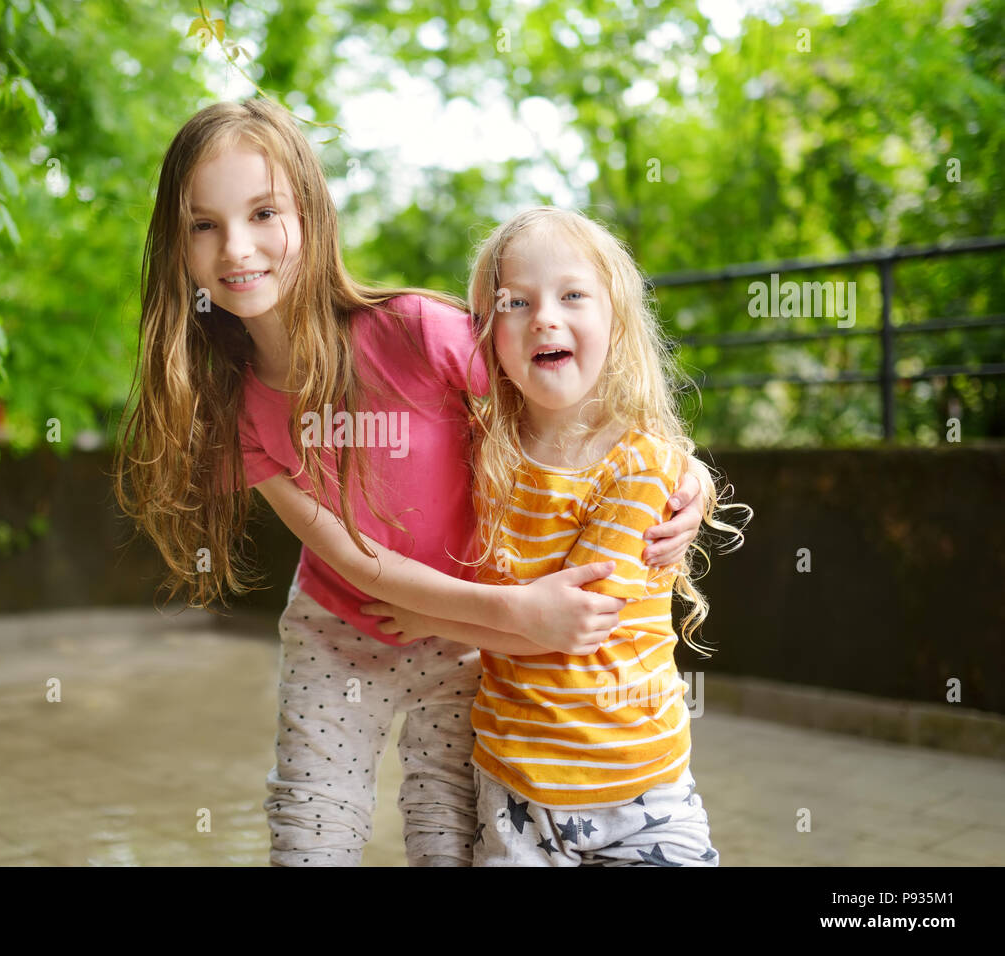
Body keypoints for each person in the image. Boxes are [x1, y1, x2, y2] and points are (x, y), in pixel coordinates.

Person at [113, 99, 709, 866]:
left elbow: (565, 408)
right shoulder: (234, 406)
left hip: (473, 635)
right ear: (178, 244)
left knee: (448, 832)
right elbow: (357, 562)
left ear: (313, 212)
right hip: (350, 627)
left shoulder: (418, 331)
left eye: (264, 212)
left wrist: (681, 469)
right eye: (204, 224)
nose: (237, 247)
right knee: (310, 826)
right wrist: (517, 612)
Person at [363, 207, 751, 866]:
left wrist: (425, 613)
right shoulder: (479, 453)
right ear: (485, 336)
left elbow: (569, 624)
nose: (545, 317)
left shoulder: (641, 464)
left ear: (616, 322)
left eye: (572, 295)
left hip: (643, 795)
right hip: (515, 791)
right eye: (515, 303)